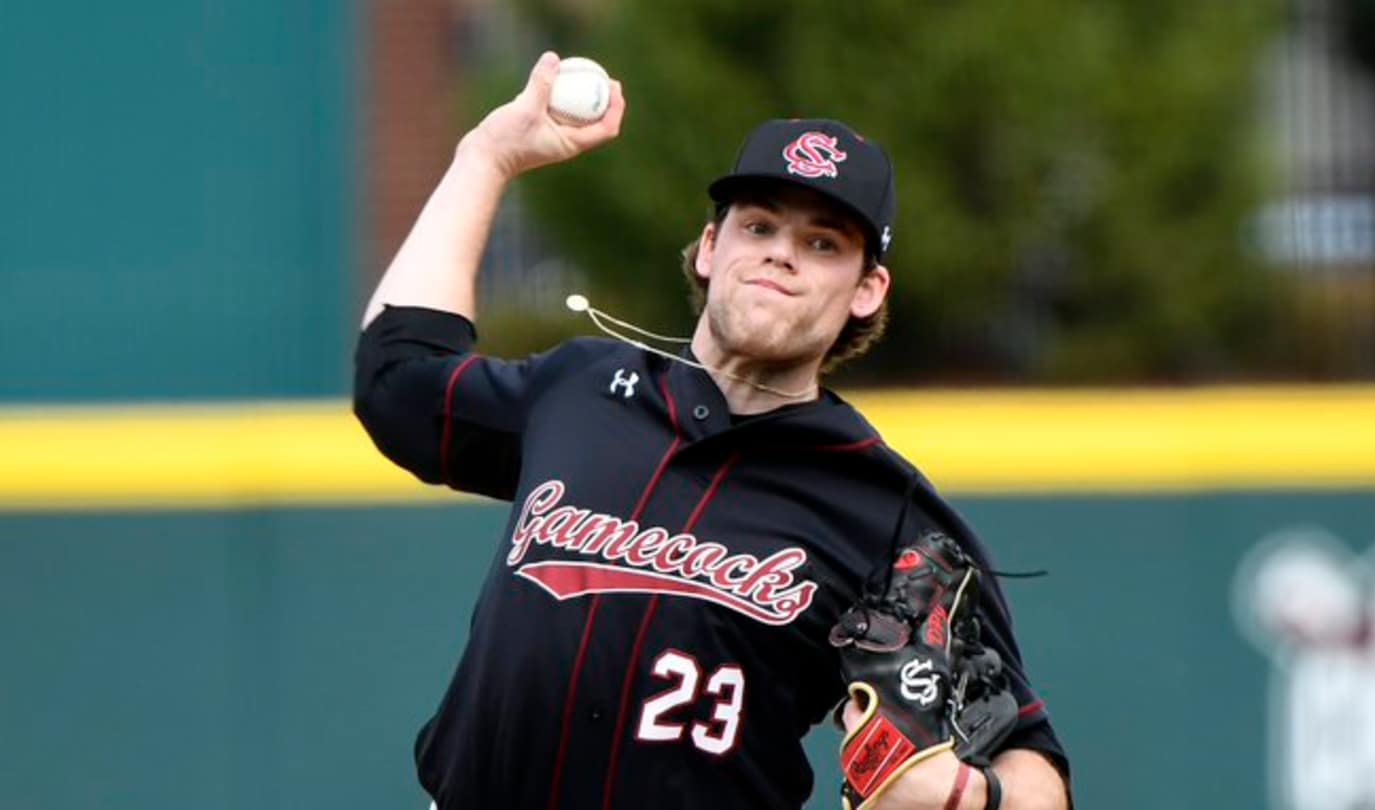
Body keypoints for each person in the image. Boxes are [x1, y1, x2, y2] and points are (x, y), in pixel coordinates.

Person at [354, 52, 1070, 810]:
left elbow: (1036, 771)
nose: (781, 253)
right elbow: (397, 380)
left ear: (867, 291)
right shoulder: (581, 391)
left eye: (823, 243)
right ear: (709, 247)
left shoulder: (883, 509)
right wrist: (486, 157)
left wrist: (970, 796)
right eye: (758, 224)